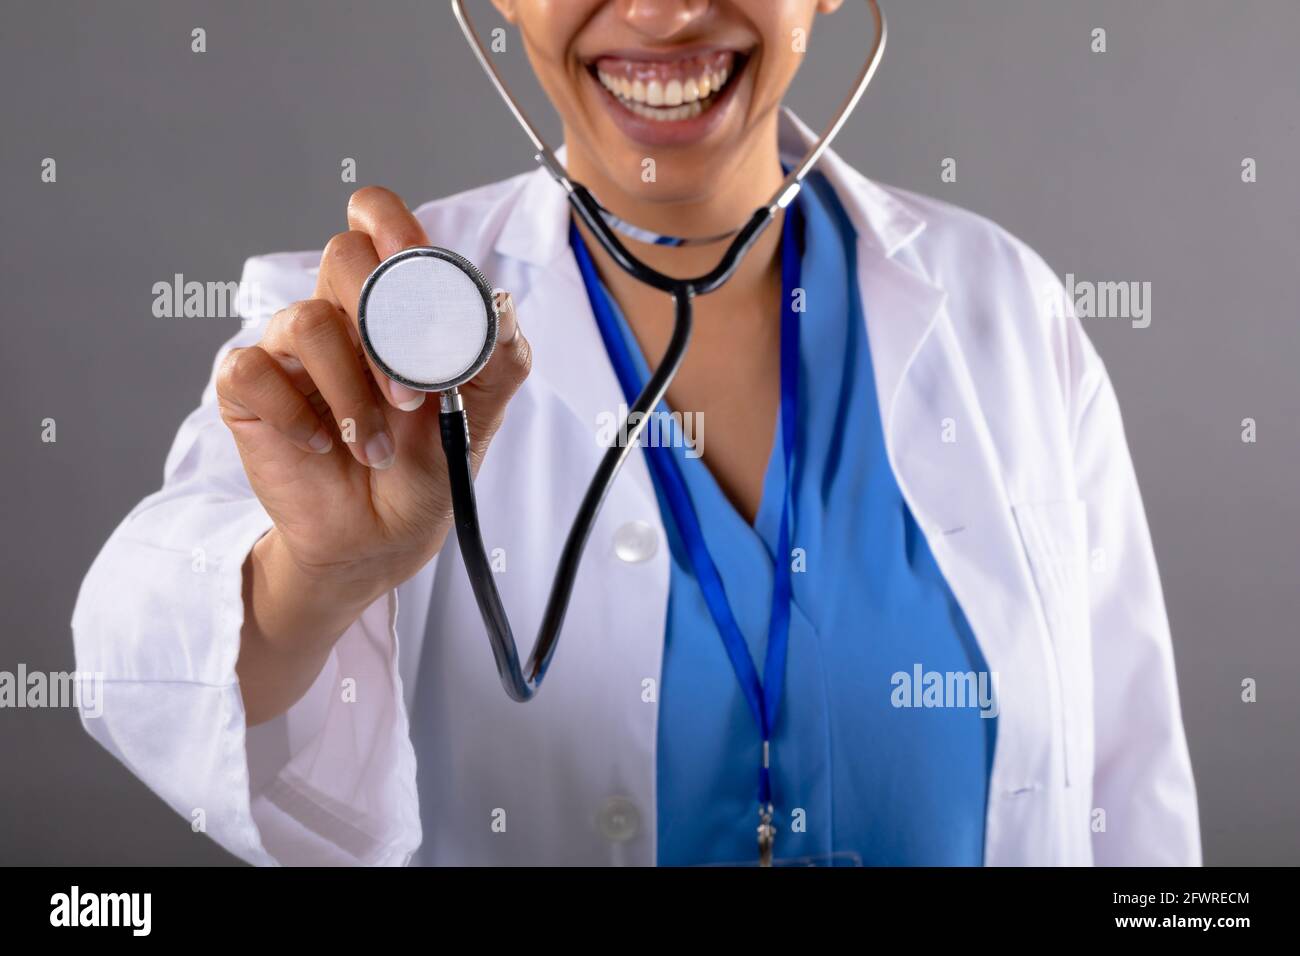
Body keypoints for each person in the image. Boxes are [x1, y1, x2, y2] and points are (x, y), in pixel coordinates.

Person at [72, 0, 1200, 866]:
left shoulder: (1009, 309)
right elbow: (145, 656)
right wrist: (314, 575)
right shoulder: (371, 343)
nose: (665, 13)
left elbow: (1136, 806)